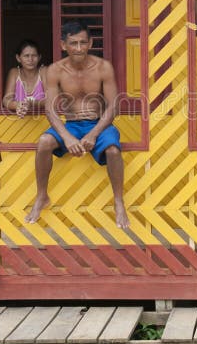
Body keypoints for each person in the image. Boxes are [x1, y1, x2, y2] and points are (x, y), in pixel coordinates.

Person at [25, 21, 130, 229]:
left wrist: (94, 134)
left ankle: (119, 201)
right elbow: (50, 110)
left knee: (113, 151)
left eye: (83, 42)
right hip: (71, 124)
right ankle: (41, 196)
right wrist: (67, 137)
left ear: (90, 42)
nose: (79, 48)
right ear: (64, 45)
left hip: (99, 123)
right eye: (73, 43)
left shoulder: (103, 67)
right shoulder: (55, 70)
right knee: (44, 141)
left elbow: (113, 106)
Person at [2, 39, 47, 118]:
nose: (30, 59)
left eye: (34, 55)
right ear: (18, 58)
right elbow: (6, 100)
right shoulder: (14, 73)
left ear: (39, 57)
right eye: (26, 56)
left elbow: (51, 99)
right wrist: (18, 105)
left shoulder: (44, 71)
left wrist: (33, 104)